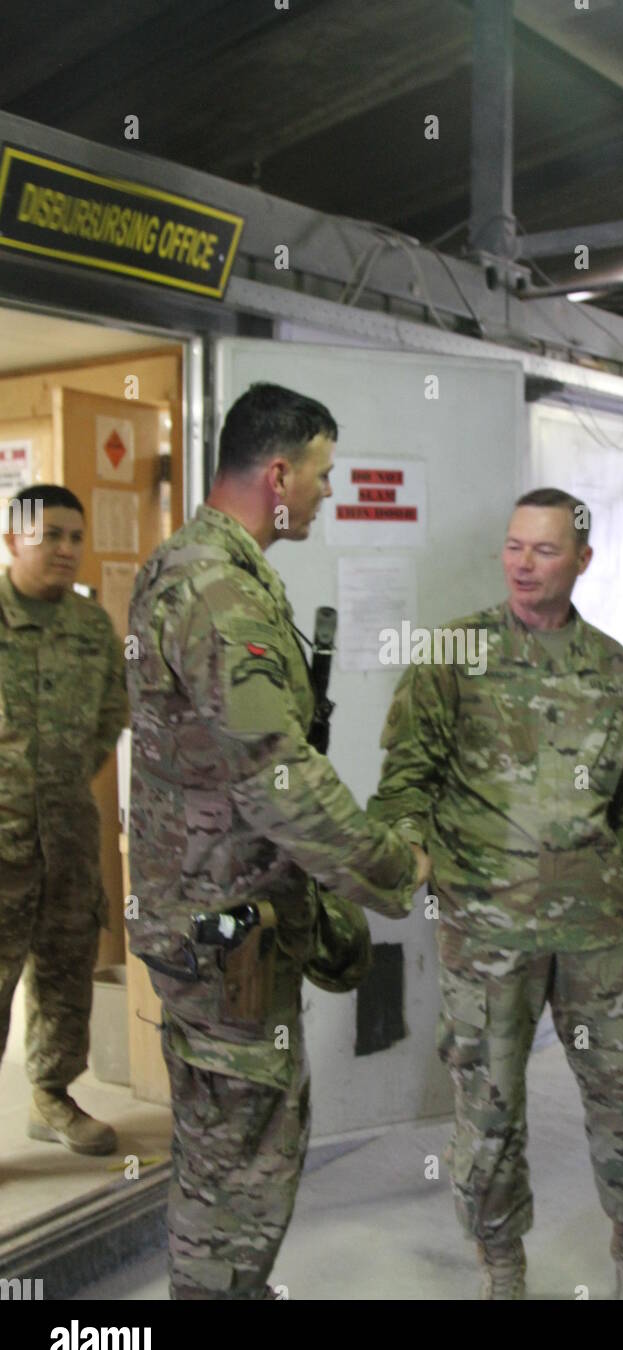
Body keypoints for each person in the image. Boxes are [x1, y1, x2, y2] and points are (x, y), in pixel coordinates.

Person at [126, 382, 430, 1301]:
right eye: (323, 474)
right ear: (277, 473)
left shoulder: (202, 567)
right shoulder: (218, 590)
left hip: (220, 916)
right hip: (223, 938)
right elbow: (275, 774)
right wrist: (391, 869)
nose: (328, 493)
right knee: (244, 1163)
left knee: (228, 1146)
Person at [368, 487, 623, 1300]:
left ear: (581, 559)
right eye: (512, 547)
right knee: (489, 1111)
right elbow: (403, 785)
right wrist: (407, 861)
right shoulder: (454, 654)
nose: (523, 565)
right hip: (487, 931)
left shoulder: (611, 668)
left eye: (542, 550)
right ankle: (501, 1264)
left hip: (597, 930)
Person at [0, 484, 127, 1155]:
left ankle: (51, 1097)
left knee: (65, 970)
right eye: (51, 535)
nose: (68, 549)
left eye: (76, 538)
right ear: (13, 539)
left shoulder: (91, 627)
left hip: (68, 836)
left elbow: (109, 719)